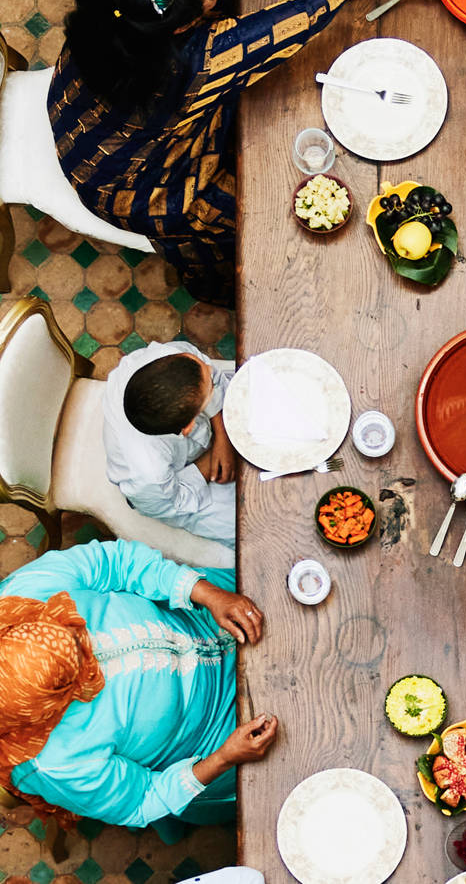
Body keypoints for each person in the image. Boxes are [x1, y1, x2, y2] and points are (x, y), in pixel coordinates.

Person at [47, 0, 422, 308]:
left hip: (90, 102)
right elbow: (307, 12)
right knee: (233, 218)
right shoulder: (197, 61)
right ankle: (216, 283)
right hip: (129, 181)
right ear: (183, 28)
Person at [0, 539, 277, 829]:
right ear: (43, 708)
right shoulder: (56, 764)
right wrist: (224, 758)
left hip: (199, 612)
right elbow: (143, 800)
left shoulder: (27, 592)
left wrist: (208, 595)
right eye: (78, 670)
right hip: (216, 734)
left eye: (72, 633)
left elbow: (115, 561)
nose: (89, 650)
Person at [103, 341, 236, 549]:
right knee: (247, 523)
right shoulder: (147, 474)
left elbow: (214, 380)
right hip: (174, 491)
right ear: (189, 427)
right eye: (207, 391)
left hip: (193, 438)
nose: (210, 369)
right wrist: (212, 461)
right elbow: (173, 503)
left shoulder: (173, 355)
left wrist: (223, 437)